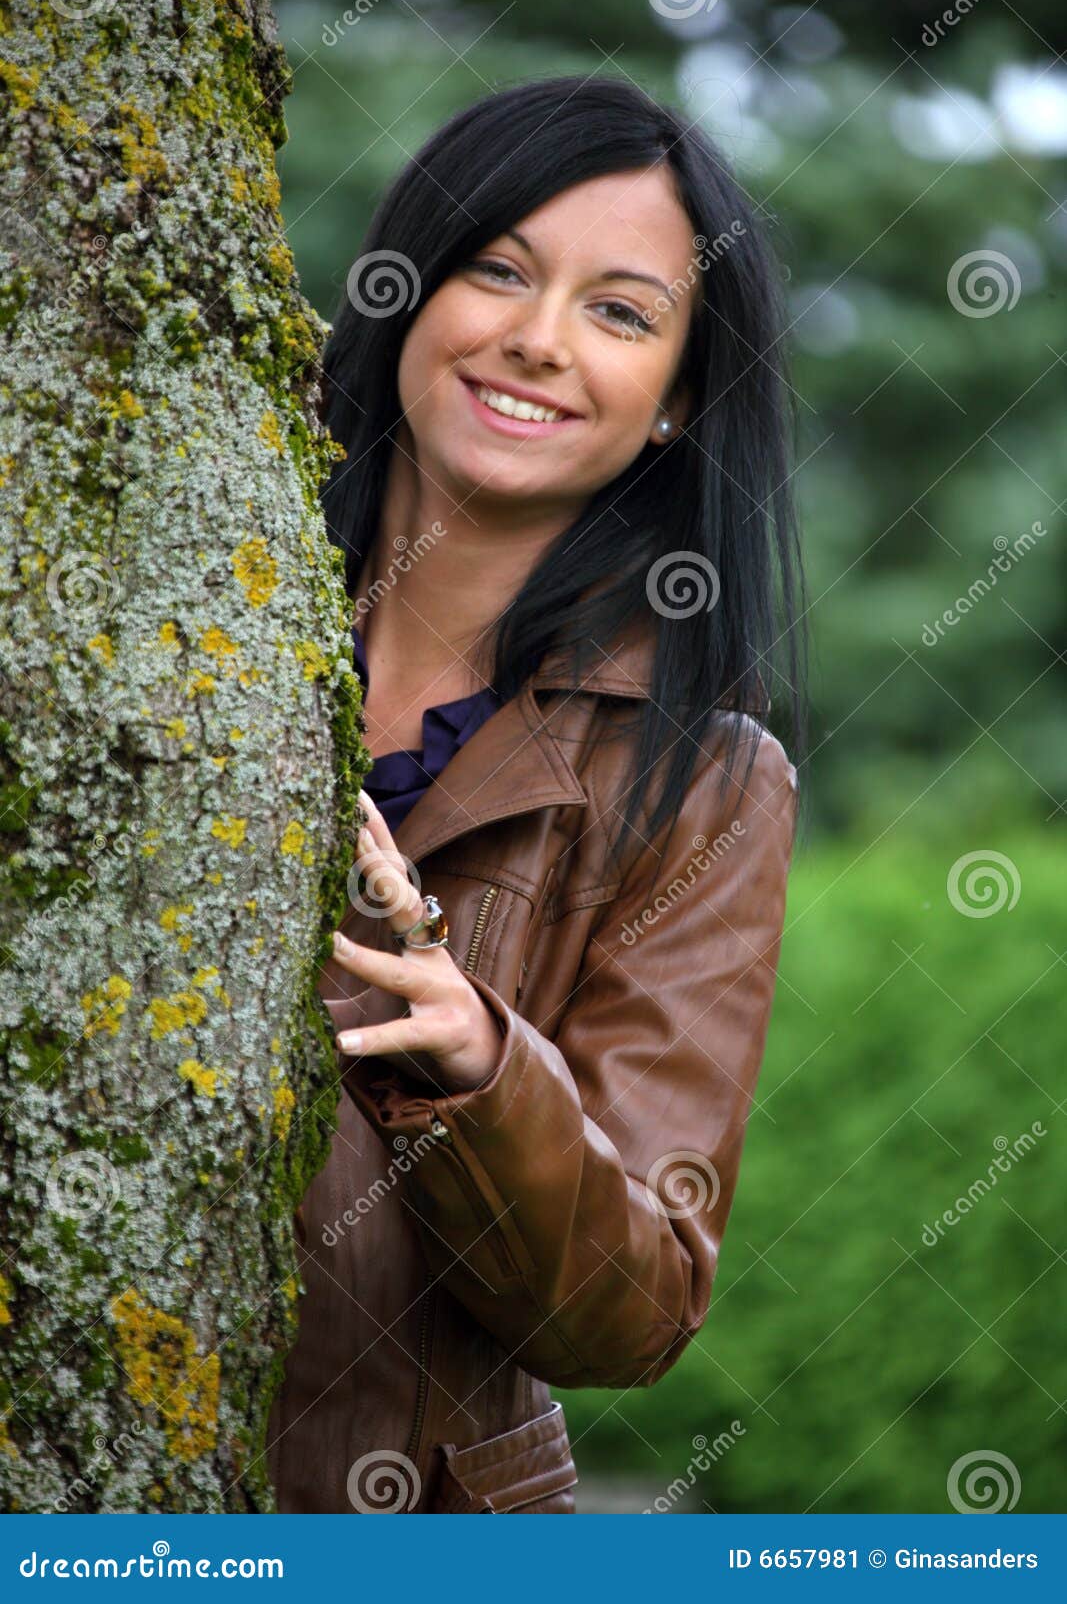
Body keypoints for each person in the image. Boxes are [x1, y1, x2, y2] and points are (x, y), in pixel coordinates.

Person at [265, 74, 806, 1514]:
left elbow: (635, 1312)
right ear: (409, 290)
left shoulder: (710, 785)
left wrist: (483, 1071)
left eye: (619, 312)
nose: (536, 338)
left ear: (677, 402)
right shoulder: (177, 615)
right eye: (498, 269)